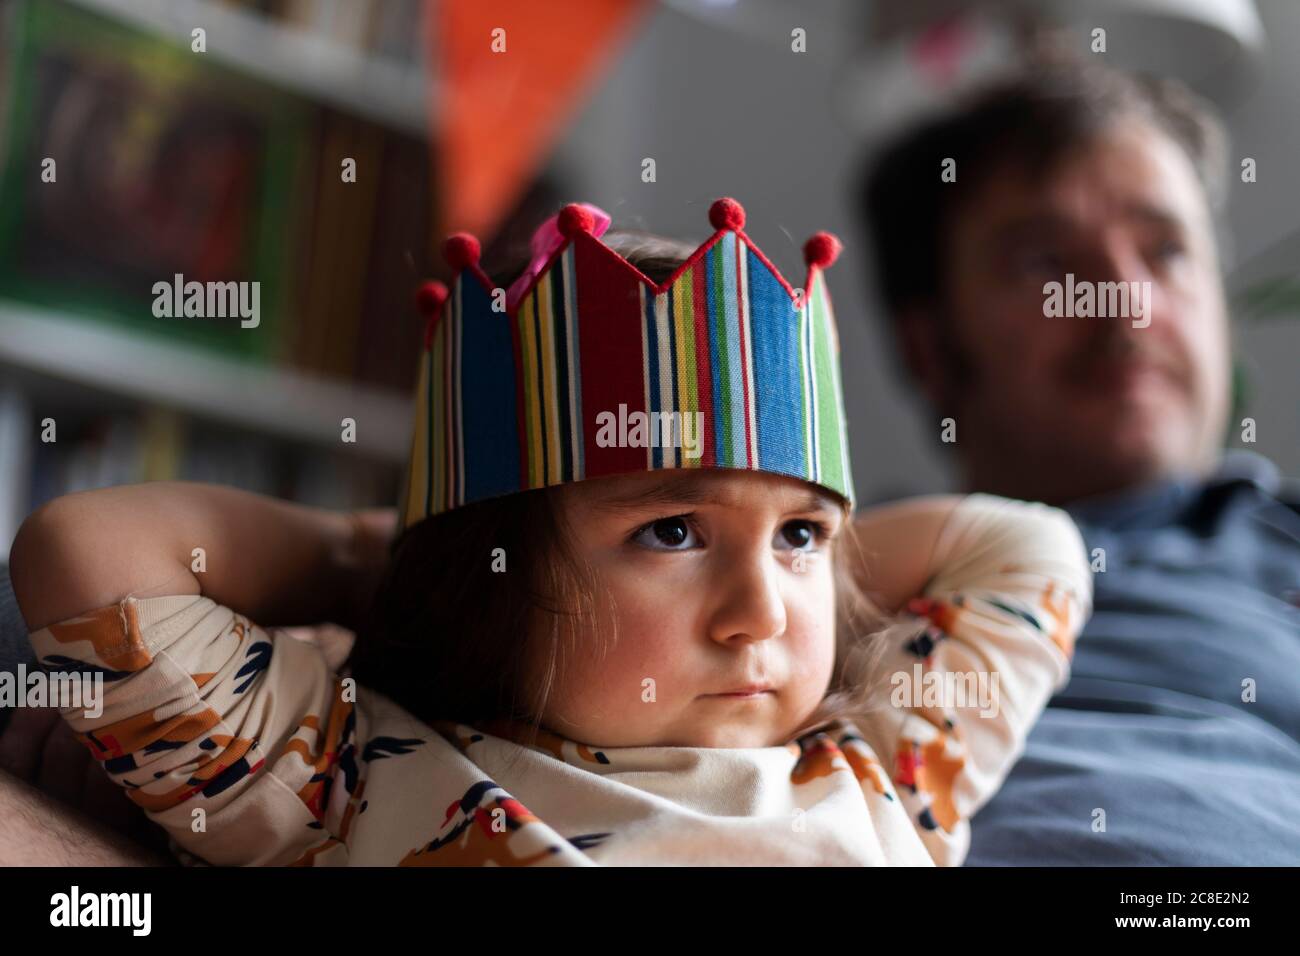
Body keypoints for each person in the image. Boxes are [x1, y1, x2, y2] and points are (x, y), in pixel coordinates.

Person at [7, 199, 1091, 865]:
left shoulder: (885, 763)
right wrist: (369, 557)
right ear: (486, 583)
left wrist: (833, 576)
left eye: (799, 536)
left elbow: (1024, 547)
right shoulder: (352, 772)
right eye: (670, 531)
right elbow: (87, 556)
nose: (761, 611)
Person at [857, 55, 1300, 864]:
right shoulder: (815, 583)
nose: (1124, 306)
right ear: (930, 348)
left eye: (1164, 252)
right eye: (1046, 265)